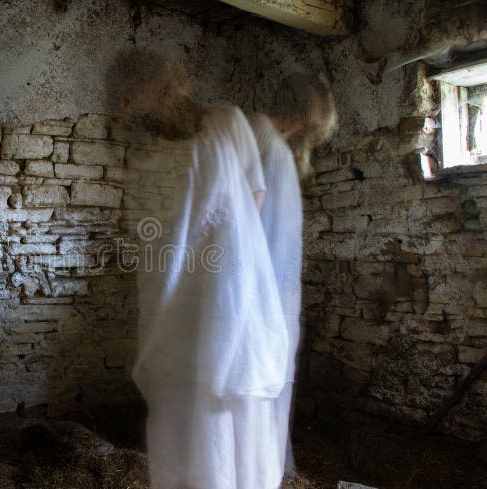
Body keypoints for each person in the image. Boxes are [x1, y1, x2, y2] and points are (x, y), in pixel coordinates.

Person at [107, 48, 291, 489]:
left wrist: (221, 248)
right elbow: (163, 225)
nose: (133, 106)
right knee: (184, 393)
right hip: (182, 291)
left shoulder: (226, 121)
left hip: (228, 283)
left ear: (163, 84)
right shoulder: (158, 149)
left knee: (223, 384)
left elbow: (254, 197)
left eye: (138, 94)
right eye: (128, 99)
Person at [247, 73, 337, 481]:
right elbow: (269, 235)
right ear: (310, 116)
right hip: (262, 291)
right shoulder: (272, 151)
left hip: (253, 288)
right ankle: (260, 471)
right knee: (261, 387)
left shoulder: (254, 137)